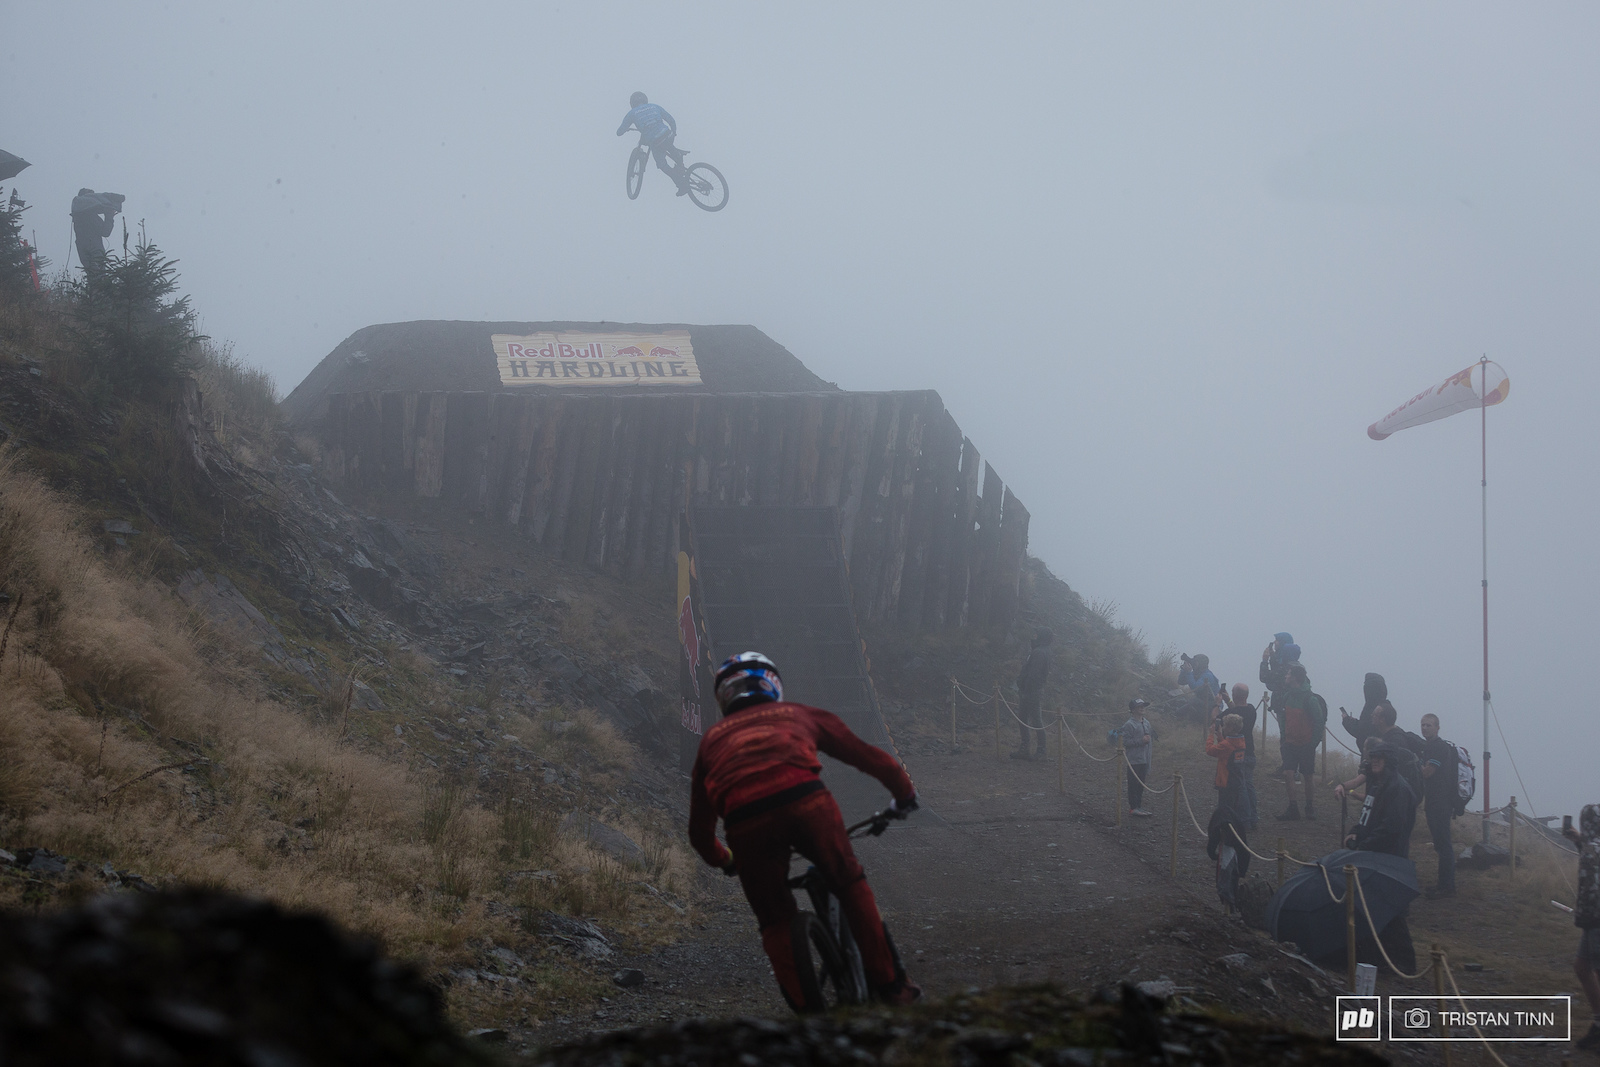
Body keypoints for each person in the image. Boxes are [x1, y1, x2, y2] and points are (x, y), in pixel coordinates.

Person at [687, 651, 922, 1010]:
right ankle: (891, 987)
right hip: (807, 804)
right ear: (773, 684)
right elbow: (868, 756)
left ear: (723, 696)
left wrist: (725, 859)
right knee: (849, 883)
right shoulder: (798, 714)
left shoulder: (711, 741)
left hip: (745, 823)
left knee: (774, 919)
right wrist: (904, 795)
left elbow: (699, 832)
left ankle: (807, 1011)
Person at [1344, 741, 1419, 972]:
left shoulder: (1397, 788)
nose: (1374, 761)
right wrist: (1356, 832)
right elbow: (1367, 815)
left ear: (1389, 761)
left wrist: (1363, 846)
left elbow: (1392, 827)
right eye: (1372, 757)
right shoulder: (1377, 784)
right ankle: (1378, 957)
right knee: (1373, 907)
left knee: (1391, 911)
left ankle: (1404, 964)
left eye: (1380, 757)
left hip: (1389, 857)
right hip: (1373, 854)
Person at [1332, 702, 1423, 812]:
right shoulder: (1387, 736)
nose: (1371, 716)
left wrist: (1347, 787)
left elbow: (1372, 776)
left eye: (1375, 714)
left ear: (1382, 719)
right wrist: (1346, 787)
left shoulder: (1394, 742)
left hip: (1395, 805)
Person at [1562, 805, 1600, 1051]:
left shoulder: (1593, 849)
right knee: (1582, 967)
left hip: (1596, 919)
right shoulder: (1590, 847)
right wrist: (1579, 841)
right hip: (1591, 920)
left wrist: (1581, 841)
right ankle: (1598, 1023)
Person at [1205, 712, 1251, 908]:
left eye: (1224, 725)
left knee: (1224, 814)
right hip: (1236, 783)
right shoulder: (1240, 741)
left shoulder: (1226, 745)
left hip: (1225, 784)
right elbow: (1226, 747)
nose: (1222, 727)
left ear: (1230, 728)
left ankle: (1224, 838)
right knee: (1232, 811)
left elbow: (1211, 750)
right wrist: (1220, 735)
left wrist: (1210, 734)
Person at [1273, 663, 1325, 821]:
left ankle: (1309, 807)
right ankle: (1293, 807)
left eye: (1288, 674)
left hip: (1305, 744)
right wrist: (1284, 737)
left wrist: (1313, 743)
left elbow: (1319, 722)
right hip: (1289, 743)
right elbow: (1283, 717)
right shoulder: (1287, 696)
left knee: (1307, 776)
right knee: (1288, 774)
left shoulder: (1310, 699)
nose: (1286, 676)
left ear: (1295, 677)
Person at [1417, 713, 1459, 899]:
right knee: (1440, 844)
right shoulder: (1430, 746)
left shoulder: (1438, 747)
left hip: (1441, 802)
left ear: (1437, 727)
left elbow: (1427, 772)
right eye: (1423, 725)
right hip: (1434, 801)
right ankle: (1444, 884)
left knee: (1443, 844)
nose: (1425, 728)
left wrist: (1415, 763)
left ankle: (1447, 886)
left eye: (1429, 725)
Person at [616, 92, 690, 194]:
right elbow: (671, 120)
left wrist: (624, 130)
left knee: (661, 164)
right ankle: (679, 160)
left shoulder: (632, 113)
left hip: (656, 141)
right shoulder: (655, 106)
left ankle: (681, 184)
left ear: (632, 103)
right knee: (668, 145)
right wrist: (674, 132)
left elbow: (619, 132)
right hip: (668, 135)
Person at [1011, 628, 1053, 761]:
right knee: (1024, 718)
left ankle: (1040, 750)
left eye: (1036, 635)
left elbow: (1034, 674)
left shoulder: (1039, 652)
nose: (1033, 637)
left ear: (1041, 637)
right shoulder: (1041, 650)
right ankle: (1027, 749)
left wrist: (1025, 688)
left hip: (1031, 691)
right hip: (1031, 690)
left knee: (1035, 720)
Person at [1224, 682, 1259, 831]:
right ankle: (1253, 817)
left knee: (1241, 787)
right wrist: (1229, 701)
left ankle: (1245, 821)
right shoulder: (1251, 710)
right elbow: (1238, 711)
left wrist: (1217, 704)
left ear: (1235, 695)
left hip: (1238, 754)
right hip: (1250, 752)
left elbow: (1216, 719)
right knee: (1249, 785)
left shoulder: (1231, 712)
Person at [70, 188, 123, 276]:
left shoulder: (77, 218)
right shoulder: (91, 216)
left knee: (91, 274)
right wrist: (109, 215)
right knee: (99, 274)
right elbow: (106, 232)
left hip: (82, 248)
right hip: (94, 247)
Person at [1120, 698, 1155, 817]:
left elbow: (1149, 742)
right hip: (1134, 760)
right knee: (1133, 784)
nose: (1142, 708)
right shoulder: (1129, 725)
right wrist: (1141, 741)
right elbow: (1125, 741)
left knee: (1141, 784)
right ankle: (1133, 807)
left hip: (1145, 758)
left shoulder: (1147, 723)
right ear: (1133, 709)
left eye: (1143, 706)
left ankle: (1139, 806)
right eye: (1139, 706)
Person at [1339, 673, 1388, 749]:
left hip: (1373, 752)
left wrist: (1347, 721)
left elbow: (1363, 732)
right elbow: (1366, 726)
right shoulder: (1386, 706)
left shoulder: (1372, 708)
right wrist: (1355, 722)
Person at [1258, 632, 1302, 701]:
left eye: (1277, 640)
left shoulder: (1286, 669)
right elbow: (1277, 674)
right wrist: (1273, 658)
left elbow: (1264, 677)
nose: (1274, 642)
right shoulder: (1295, 667)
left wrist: (1265, 660)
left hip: (1283, 704)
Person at [1177, 653, 1219, 723]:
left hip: (1212, 707)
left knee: (1193, 701)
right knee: (1186, 703)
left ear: (1200, 664)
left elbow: (1195, 687)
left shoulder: (1207, 675)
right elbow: (1181, 681)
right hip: (1204, 703)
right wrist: (1184, 670)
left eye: (1195, 663)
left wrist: (1188, 672)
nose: (1194, 664)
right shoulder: (1198, 673)